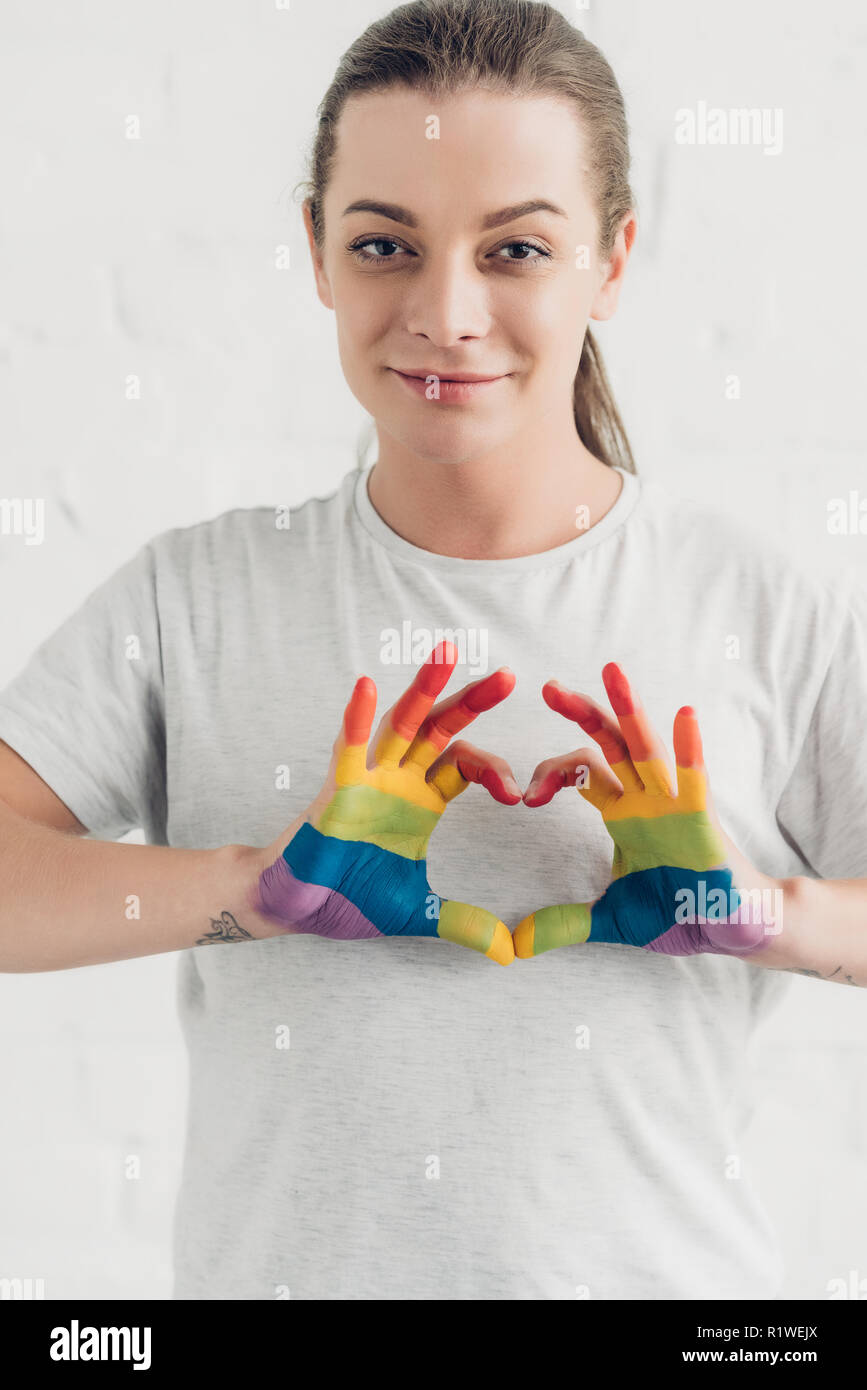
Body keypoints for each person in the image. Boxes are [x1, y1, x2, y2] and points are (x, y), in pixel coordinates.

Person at [1, 0, 865, 1301]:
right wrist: (256, 890)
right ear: (317, 249)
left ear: (614, 260)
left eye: (515, 247)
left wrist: (764, 915)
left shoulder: (758, 603)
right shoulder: (199, 595)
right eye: (384, 244)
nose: (445, 312)